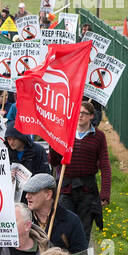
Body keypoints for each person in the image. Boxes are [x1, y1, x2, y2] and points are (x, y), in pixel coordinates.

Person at [49, 99, 112, 242]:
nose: (80, 116)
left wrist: (105, 193)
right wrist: (53, 144)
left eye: (84, 113)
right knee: (64, 228)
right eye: (78, 112)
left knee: (83, 231)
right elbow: (53, 161)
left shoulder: (98, 137)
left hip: (87, 190)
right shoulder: (66, 133)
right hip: (66, 189)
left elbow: (105, 165)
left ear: (91, 116)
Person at [22, 172, 87, 254]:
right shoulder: (22, 219)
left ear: (48, 195)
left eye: (33, 192)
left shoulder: (71, 221)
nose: (27, 196)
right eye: (27, 192)